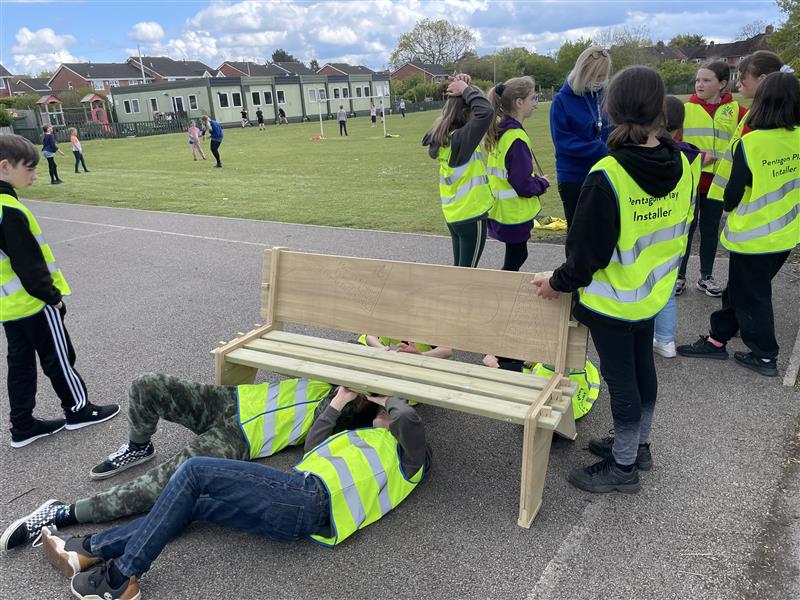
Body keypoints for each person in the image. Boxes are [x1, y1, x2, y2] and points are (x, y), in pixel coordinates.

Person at [39, 387, 430, 599]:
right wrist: (340, 402)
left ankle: (123, 578)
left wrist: (388, 399)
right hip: (298, 512)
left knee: (195, 472)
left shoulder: (412, 456)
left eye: (387, 411)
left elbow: (410, 417)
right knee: (197, 504)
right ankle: (88, 550)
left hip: (308, 498)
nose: (384, 413)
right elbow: (313, 447)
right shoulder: (357, 436)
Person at [532, 66, 695, 494]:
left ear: (612, 109)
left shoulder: (608, 174)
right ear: (660, 108)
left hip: (612, 303)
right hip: (651, 294)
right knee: (642, 372)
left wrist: (556, 283)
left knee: (622, 381)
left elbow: (585, 256)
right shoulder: (683, 162)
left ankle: (624, 468)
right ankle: (638, 446)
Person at [0, 374, 379, 550]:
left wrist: (344, 400)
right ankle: (138, 446)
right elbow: (365, 338)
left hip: (240, 439)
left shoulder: (347, 417)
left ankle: (63, 513)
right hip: (230, 401)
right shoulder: (335, 368)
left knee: (167, 482)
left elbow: (314, 448)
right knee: (145, 385)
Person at [0, 135, 120, 450]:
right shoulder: (9, 209)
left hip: (8, 307)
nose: (35, 175)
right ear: (5, 167)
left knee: (20, 364)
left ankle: (22, 424)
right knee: (59, 357)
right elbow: (30, 265)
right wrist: (52, 296)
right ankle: (79, 409)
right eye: (29, 169)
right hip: (34, 302)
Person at [677, 71, 800, 378]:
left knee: (752, 295)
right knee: (742, 289)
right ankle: (718, 339)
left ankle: (764, 354)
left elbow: (732, 194)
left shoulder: (751, 143)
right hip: (787, 233)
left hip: (755, 236)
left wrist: (731, 205)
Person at [675, 61, 748, 297]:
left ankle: (705, 276)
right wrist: (697, 157)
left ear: (722, 84)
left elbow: (749, 144)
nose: (699, 84)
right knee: (685, 229)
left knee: (710, 230)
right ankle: (679, 276)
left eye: (706, 80)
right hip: (692, 182)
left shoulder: (738, 111)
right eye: (698, 80)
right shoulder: (685, 110)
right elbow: (672, 145)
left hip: (720, 184)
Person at [422, 73, 494, 267]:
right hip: (471, 215)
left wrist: (465, 86)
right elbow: (486, 112)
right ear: (467, 111)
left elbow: (479, 110)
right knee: (468, 275)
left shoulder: (447, 138)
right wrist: (464, 90)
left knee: (460, 271)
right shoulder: (462, 141)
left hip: (455, 216)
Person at [484, 76, 551, 272]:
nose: (535, 104)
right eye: (533, 98)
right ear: (519, 102)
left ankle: (503, 290)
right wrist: (542, 184)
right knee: (517, 257)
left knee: (516, 256)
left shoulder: (500, 131)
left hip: (501, 210)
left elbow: (509, 174)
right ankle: (502, 293)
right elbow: (521, 183)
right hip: (514, 213)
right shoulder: (516, 138)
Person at [653, 96, 703, 358]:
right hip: (680, 231)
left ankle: (648, 335)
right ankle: (666, 340)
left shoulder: (654, 155)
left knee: (647, 287)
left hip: (653, 231)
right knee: (668, 290)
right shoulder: (692, 154)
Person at [705, 51, 785, 205]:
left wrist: (732, 195)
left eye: (743, 79)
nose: (737, 84)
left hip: (755, 201)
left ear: (762, 80)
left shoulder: (760, 119)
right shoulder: (772, 112)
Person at [550, 46, 612, 227]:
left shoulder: (606, 95)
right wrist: (601, 148)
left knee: (604, 229)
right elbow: (563, 142)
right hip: (574, 176)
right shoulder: (561, 100)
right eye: (597, 75)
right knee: (578, 232)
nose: (600, 80)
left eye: (603, 75)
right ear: (584, 72)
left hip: (605, 173)